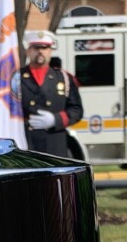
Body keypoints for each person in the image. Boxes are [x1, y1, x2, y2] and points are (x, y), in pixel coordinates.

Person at [15, 30, 83, 158]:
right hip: (26, 142)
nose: (40, 51)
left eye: (45, 48)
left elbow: (76, 110)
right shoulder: (16, 78)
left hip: (54, 143)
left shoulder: (64, 78)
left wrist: (55, 120)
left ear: (50, 51)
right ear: (28, 51)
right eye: (36, 48)